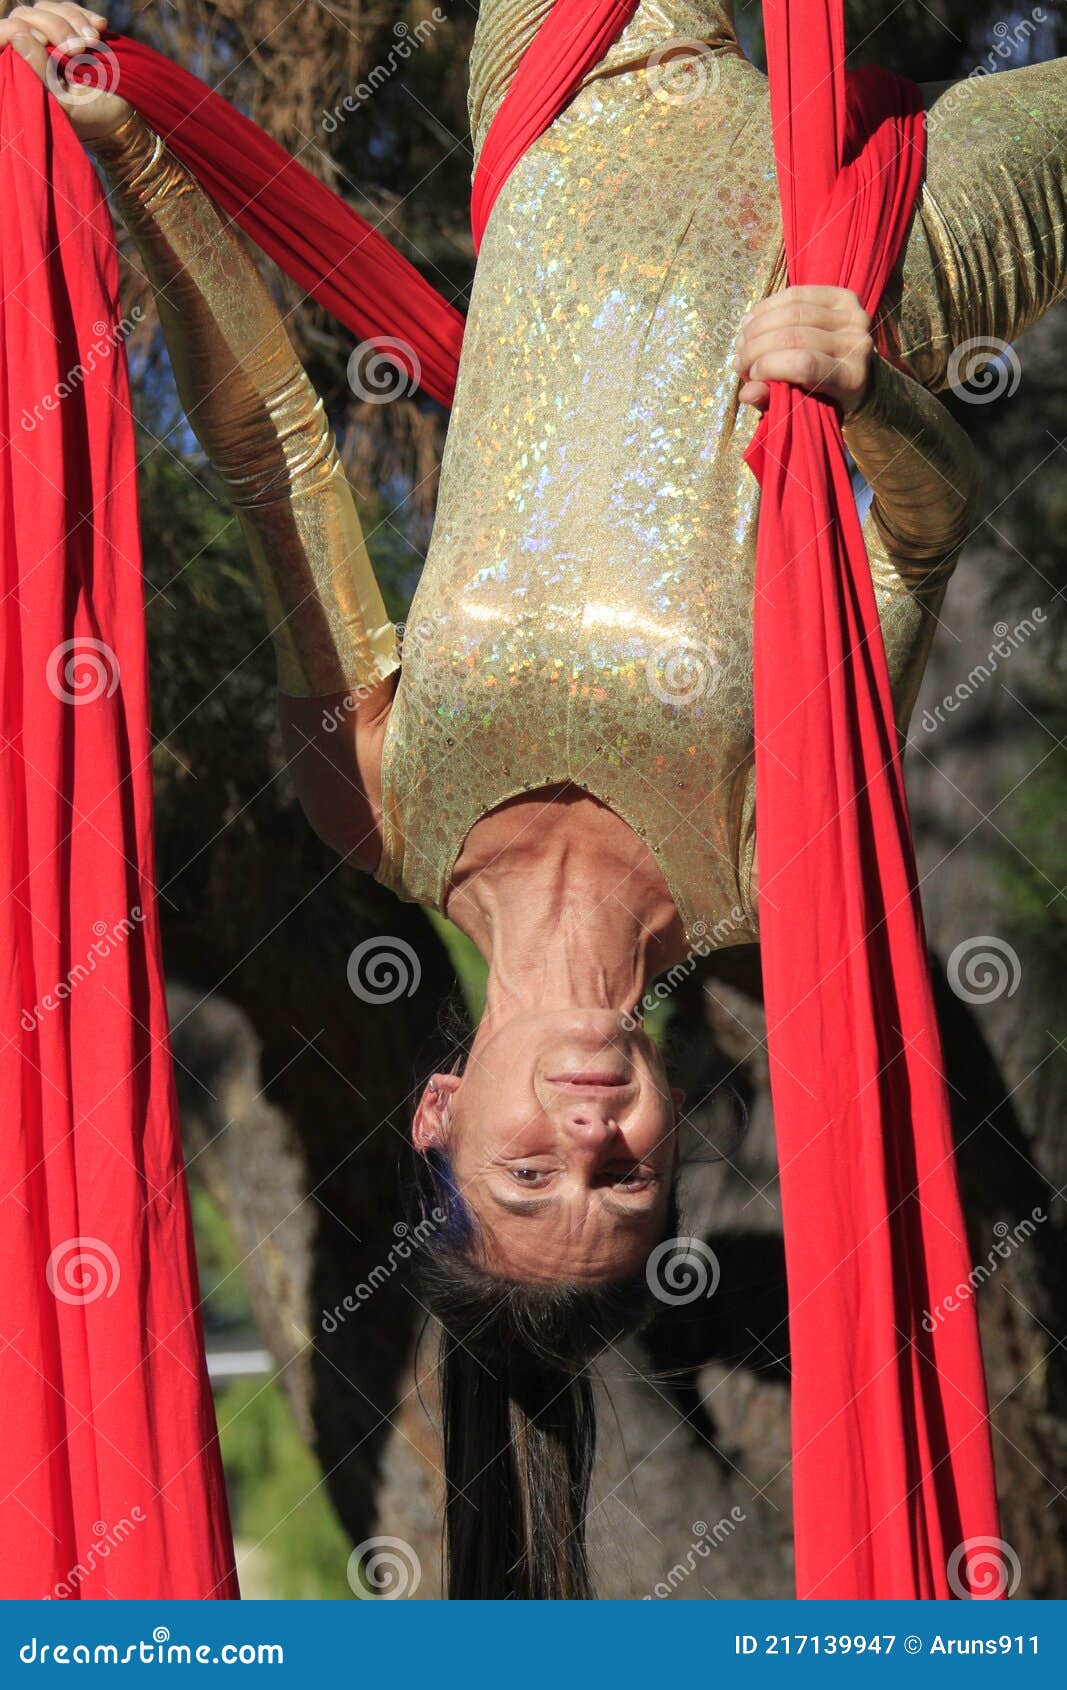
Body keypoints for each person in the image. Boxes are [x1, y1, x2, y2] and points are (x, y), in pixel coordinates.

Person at [4, 0, 1063, 1597]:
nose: (584, 1133)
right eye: (625, 1174)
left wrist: (131, 145)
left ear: (439, 1114)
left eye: (527, 1172)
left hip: (579, 92)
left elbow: (277, 446)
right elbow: (918, 539)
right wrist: (872, 386)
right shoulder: (776, 859)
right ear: (672, 1131)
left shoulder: (374, 801)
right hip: (885, 242)